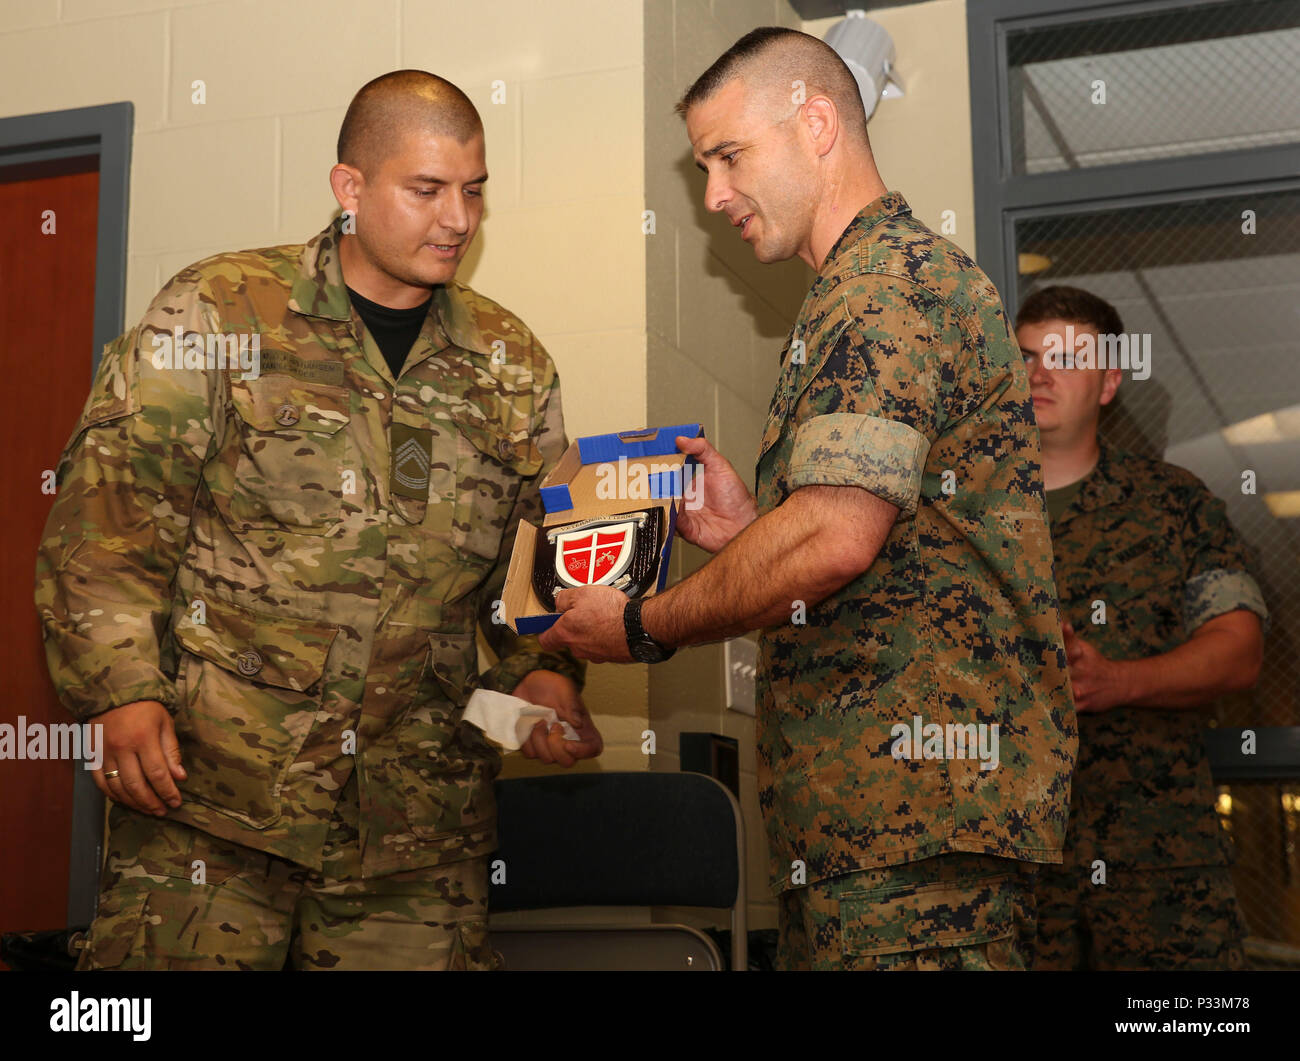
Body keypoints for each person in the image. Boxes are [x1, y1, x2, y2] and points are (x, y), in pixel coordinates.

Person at [35, 69, 601, 971]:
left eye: (474, 191)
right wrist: (121, 690)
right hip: (212, 801)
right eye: (427, 190)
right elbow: (110, 518)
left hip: (418, 827)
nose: (458, 218)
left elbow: (532, 570)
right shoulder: (220, 309)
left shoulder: (512, 365)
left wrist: (542, 672)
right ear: (350, 188)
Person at [538, 28, 1075, 971]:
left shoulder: (880, 288)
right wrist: (753, 532)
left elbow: (834, 538)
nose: (714, 194)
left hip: (911, 831)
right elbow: (878, 542)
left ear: (816, 123)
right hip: (885, 825)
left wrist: (642, 625)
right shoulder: (864, 289)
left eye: (729, 156)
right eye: (703, 167)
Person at [1016, 285, 1265, 970]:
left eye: (1066, 358)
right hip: (1014, 878)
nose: (1040, 375)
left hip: (1160, 876)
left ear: (1109, 383)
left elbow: (1239, 651)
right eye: (1026, 356)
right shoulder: (959, 511)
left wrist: (1118, 681)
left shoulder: (1174, 504)